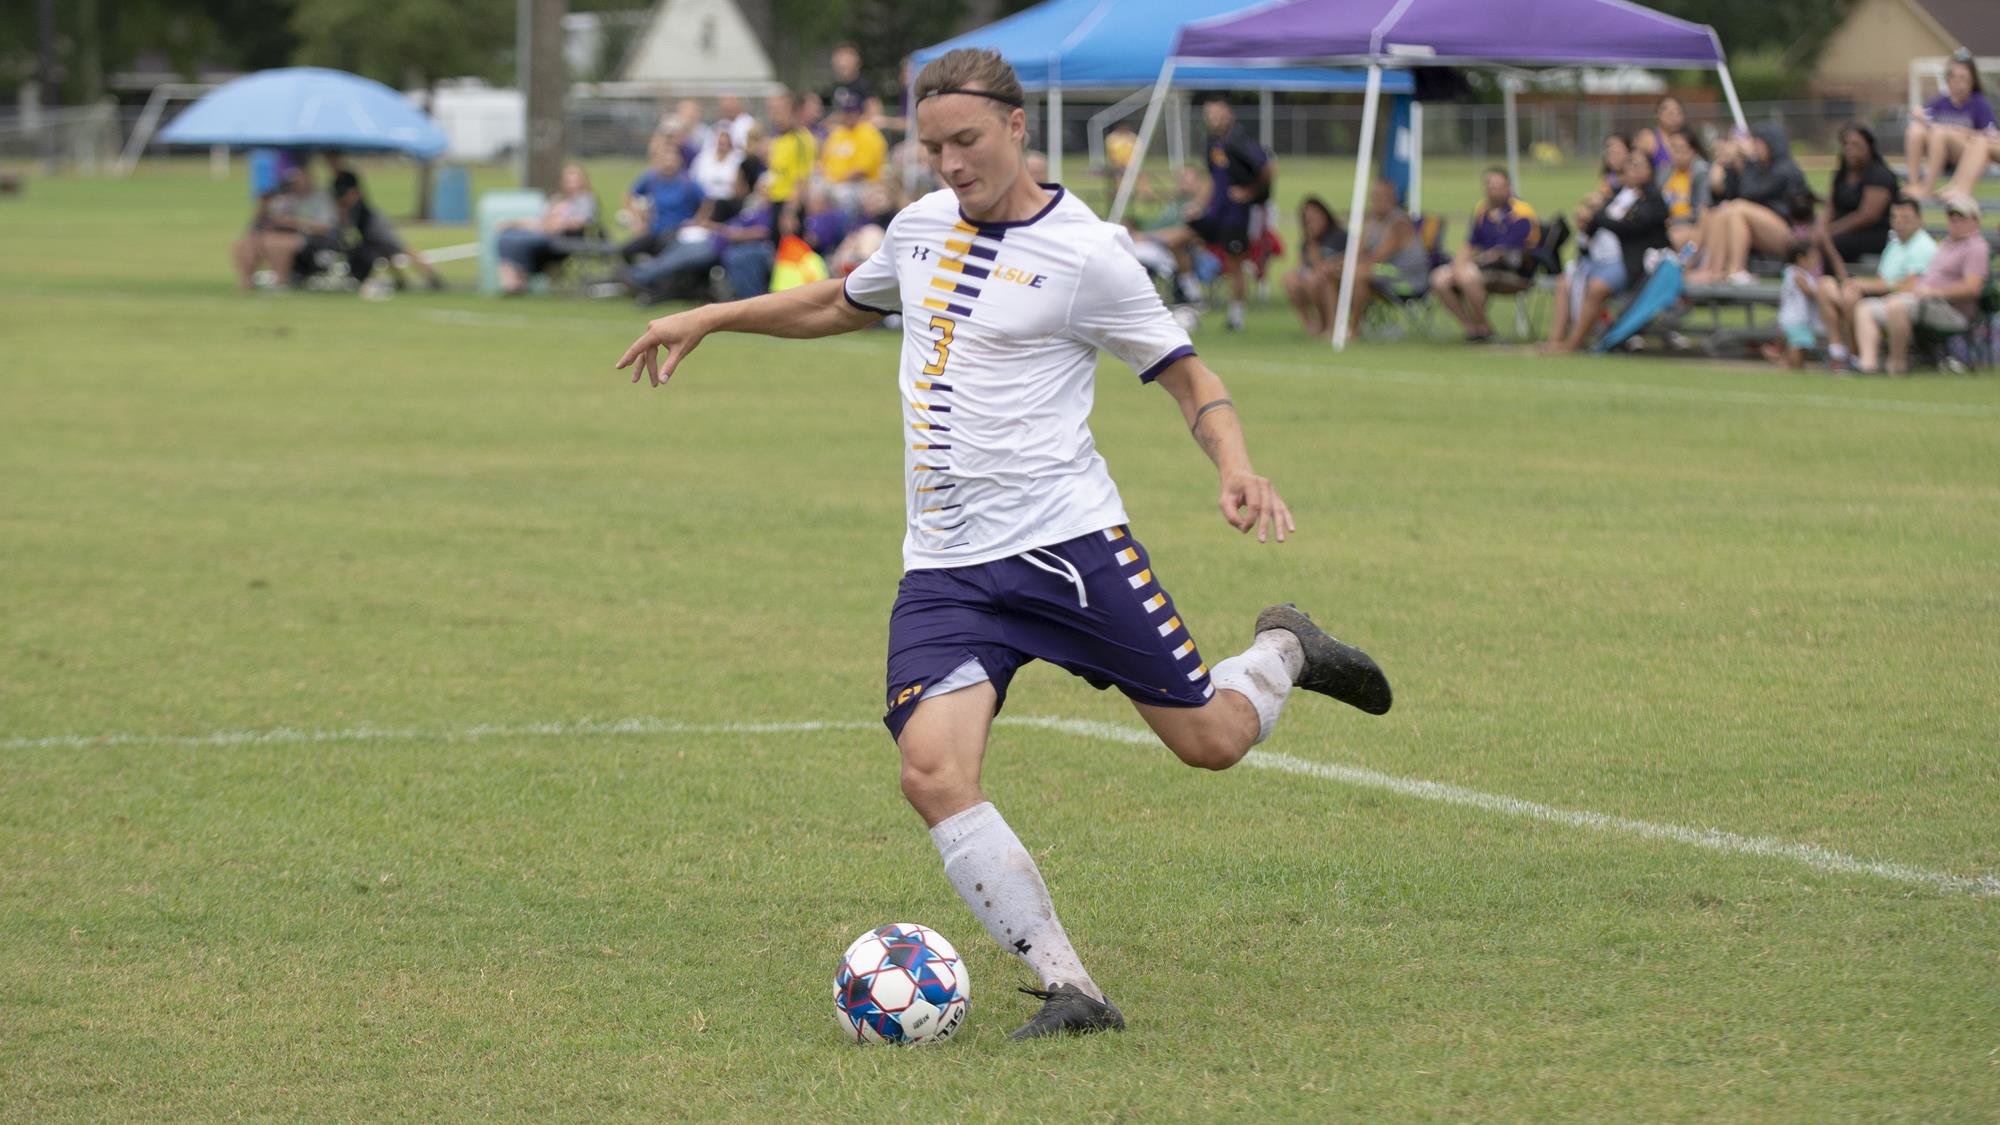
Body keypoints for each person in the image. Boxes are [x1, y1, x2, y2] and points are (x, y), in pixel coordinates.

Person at [612, 47, 1392, 1041]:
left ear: (1018, 129)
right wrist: (712, 317)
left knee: (1210, 743)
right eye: (930, 145)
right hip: (943, 566)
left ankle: (1284, 647)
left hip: (1066, 551)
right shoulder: (918, 227)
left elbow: (1188, 378)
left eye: (966, 141)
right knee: (932, 773)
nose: (947, 162)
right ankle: (1074, 991)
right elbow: (838, 302)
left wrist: (1235, 465)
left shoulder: (1088, 254)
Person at [1158, 94, 1273, 331]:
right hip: (1214, 214)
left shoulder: (1240, 141)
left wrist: (1250, 192)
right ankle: (1194, 296)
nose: (1214, 119)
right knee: (1175, 240)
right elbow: (1213, 178)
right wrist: (1199, 203)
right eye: (1209, 115)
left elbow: (1268, 167)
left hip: (1236, 216)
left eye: (1218, 114)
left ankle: (1236, 318)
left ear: (1229, 113)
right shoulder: (1213, 144)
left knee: (1235, 266)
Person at [1543, 147, 1667, 353]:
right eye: (1629, 164)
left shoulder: (1653, 199)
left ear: (1650, 171)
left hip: (1631, 264)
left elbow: (1630, 226)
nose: (1632, 169)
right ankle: (1554, 339)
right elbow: (1593, 224)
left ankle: (1573, 343)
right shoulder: (1617, 196)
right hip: (1598, 259)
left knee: (1597, 287)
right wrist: (1588, 216)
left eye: (1638, 165)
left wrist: (1599, 215)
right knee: (1564, 282)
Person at [1853, 195, 1991, 375]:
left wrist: (1935, 292)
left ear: (1975, 221)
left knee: (1897, 305)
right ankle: (1868, 366)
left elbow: (1973, 287)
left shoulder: (1976, 247)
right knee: (1865, 308)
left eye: (1961, 218)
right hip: (1925, 302)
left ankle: (1897, 365)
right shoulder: (1947, 244)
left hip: (1951, 310)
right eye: (1952, 217)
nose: (1955, 222)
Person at [1815, 196, 1937, 371]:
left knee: (1852, 297)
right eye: (1895, 217)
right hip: (1883, 297)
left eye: (1905, 218)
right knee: (1825, 285)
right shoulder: (1894, 245)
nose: (1899, 222)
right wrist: (1861, 284)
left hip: (1904, 302)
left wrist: (1866, 286)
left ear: (1919, 220)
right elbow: (1882, 279)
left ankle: (1856, 357)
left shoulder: (1923, 246)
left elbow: (1911, 286)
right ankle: (1837, 350)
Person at [629, 165, 775, 305]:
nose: (760, 192)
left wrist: (724, 230)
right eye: (760, 188)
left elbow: (761, 232)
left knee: (674, 260)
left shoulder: (768, 212)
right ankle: (641, 274)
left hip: (716, 246)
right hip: (710, 238)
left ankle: (639, 277)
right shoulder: (753, 208)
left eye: (764, 189)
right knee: (672, 251)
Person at [1686, 124, 1807, 285]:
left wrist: (1749, 160)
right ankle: (1712, 270)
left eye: (1758, 142)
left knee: (1737, 209)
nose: (1755, 147)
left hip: (1790, 234)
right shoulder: (1759, 166)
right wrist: (1728, 163)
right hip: (1762, 229)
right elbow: (1724, 193)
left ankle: (1736, 270)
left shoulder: (1785, 169)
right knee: (1721, 210)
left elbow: (1750, 192)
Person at [1429, 168, 1538, 342]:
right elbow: (1469, 244)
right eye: (1490, 186)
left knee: (1467, 275)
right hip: (1481, 267)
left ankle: (1485, 327)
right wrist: (1457, 265)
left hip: (1514, 270)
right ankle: (1471, 328)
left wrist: (1469, 265)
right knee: (1439, 278)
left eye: (1498, 186)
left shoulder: (1521, 212)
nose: (1494, 190)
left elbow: (1502, 252)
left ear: (1508, 187)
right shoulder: (1482, 209)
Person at [324, 152, 445, 291]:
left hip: (371, 222)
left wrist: (341, 206)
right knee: (384, 252)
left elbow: (353, 196)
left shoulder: (348, 176)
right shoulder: (334, 181)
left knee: (399, 248)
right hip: (361, 225)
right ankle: (400, 280)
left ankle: (432, 275)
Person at [1342, 178, 1429, 339]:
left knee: (1359, 274)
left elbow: (1379, 257)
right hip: (1384, 272)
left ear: (1394, 199)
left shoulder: (1399, 223)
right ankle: (1332, 326)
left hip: (1406, 280)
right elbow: (1358, 251)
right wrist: (1340, 264)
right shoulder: (1372, 221)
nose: (1379, 201)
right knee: (1336, 272)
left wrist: (1350, 265)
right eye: (1375, 196)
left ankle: (1354, 329)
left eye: (1384, 196)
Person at [1905, 52, 1997, 201]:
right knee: (1916, 130)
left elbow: (1990, 134)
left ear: (1972, 81)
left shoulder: (1979, 103)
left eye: (1963, 78)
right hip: (1938, 150)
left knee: (1940, 131)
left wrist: (1957, 131)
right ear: (1947, 80)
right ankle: (1913, 183)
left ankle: (1928, 188)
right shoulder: (1940, 101)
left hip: (1965, 152)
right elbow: (1924, 117)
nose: (1957, 83)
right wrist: (1918, 114)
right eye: (1953, 77)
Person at [496, 164, 597, 295]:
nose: (571, 184)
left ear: (582, 181)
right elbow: (540, 221)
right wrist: (512, 223)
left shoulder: (585, 200)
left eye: (575, 180)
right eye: (568, 180)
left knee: (521, 241)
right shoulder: (557, 199)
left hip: (562, 239)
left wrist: (558, 224)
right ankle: (511, 282)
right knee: (506, 236)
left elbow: (581, 222)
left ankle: (517, 282)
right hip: (543, 233)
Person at [232, 163, 331, 291]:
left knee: (277, 244)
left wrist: (295, 223)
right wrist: (264, 205)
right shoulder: (284, 197)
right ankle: (246, 283)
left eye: (300, 178)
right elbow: (266, 218)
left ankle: (281, 282)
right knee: (245, 243)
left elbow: (325, 226)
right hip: (275, 232)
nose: (296, 183)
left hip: (307, 236)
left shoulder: (320, 197)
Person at [621, 137, 704, 265]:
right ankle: (635, 278)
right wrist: (637, 219)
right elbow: (629, 194)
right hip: (655, 230)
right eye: (665, 158)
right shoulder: (651, 179)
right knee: (626, 250)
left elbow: (708, 202)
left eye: (672, 158)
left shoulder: (688, 182)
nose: (668, 163)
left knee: (664, 248)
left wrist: (698, 220)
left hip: (677, 232)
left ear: (679, 160)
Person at [1823, 123, 1898, 266]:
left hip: (1872, 233)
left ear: (1869, 147)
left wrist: (1830, 231)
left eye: (1856, 144)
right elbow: (1830, 208)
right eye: (1846, 144)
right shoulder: (1841, 175)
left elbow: (1867, 216)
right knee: (1806, 242)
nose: (1850, 149)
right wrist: (1819, 230)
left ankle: (1835, 283)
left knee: (1830, 244)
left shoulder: (1879, 175)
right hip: (1841, 230)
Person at [1282, 196, 1345, 337]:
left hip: (1335, 279)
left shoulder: (1338, 236)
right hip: (1314, 277)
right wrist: (1312, 242)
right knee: (1291, 279)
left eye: (1315, 216)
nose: (1312, 221)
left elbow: (1345, 259)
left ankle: (1329, 325)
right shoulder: (1308, 241)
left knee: (1318, 280)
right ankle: (1309, 324)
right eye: (1308, 218)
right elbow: (1303, 265)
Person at [822, 88, 889, 209]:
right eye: (845, 112)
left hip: (863, 185)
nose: (848, 116)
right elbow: (824, 161)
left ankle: (845, 227)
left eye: (852, 112)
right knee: (816, 191)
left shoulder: (868, 133)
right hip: (834, 182)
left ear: (860, 113)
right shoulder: (837, 133)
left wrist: (835, 181)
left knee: (843, 194)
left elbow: (862, 171)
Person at [765, 90, 818, 237]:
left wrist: (789, 212)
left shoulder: (802, 139)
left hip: (790, 205)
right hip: (776, 202)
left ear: (792, 111)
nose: (775, 115)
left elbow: (802, 179)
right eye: (772, 110)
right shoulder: (778, 139)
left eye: (779, 110)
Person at [1660, 130, 1711, 251]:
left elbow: (1703, 210)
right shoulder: (1665, 172)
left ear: (1693, 150)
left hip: (1691, 225)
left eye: (1681, 148)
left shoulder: (1701, 172)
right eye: (1673, 148)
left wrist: (1675, 221)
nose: (1676, 153)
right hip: (1665, 224)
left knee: (1673, 238)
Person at [1635, 95, 1688, 179]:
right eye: (1670, 113)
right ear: (1657, 114)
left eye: (1678, 113)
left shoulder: (1688, 139)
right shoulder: (1649, 138)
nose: (1674, 117)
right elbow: (1633, 167)